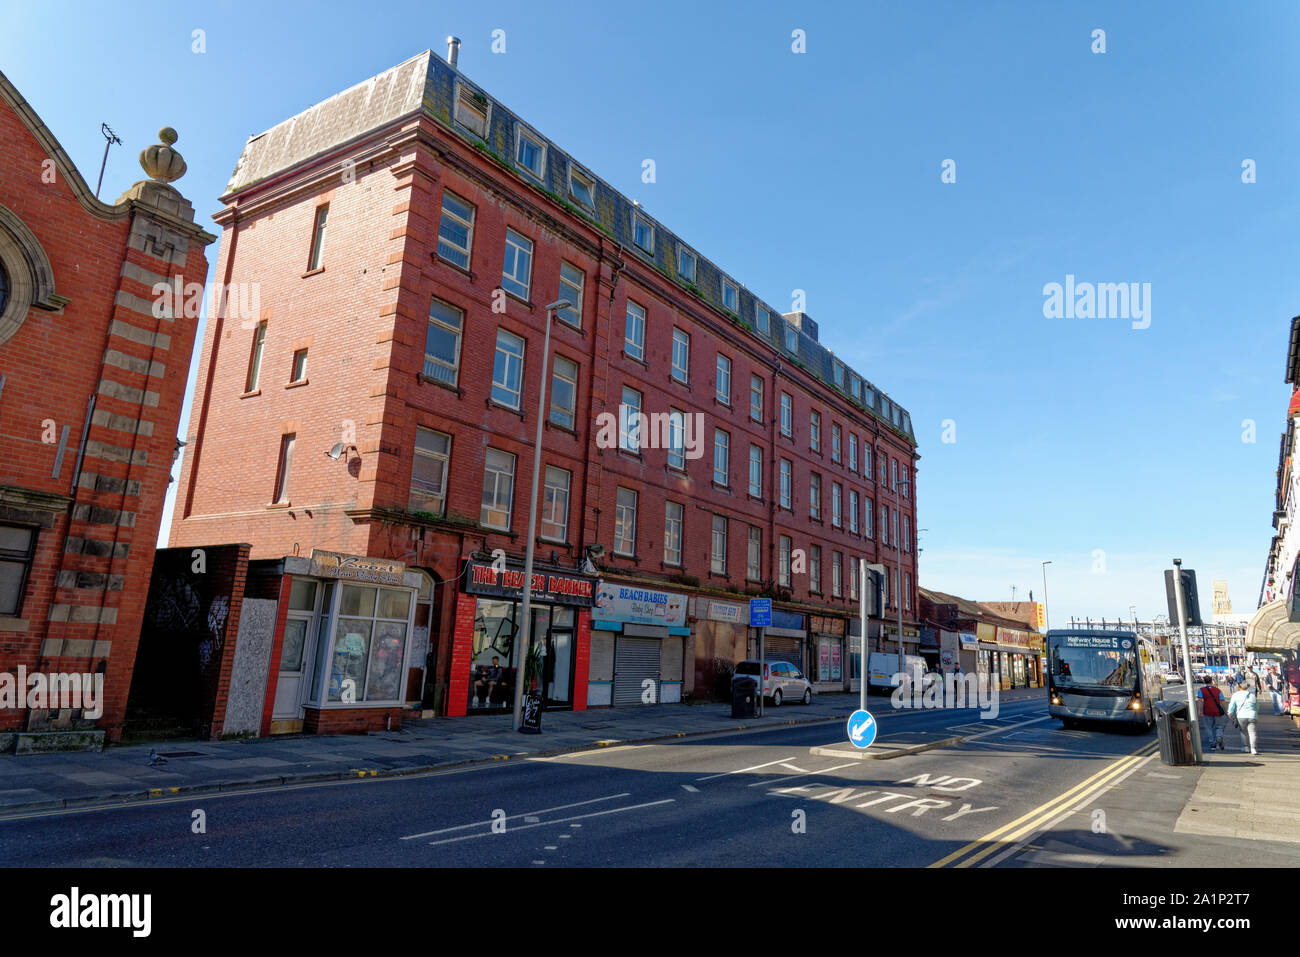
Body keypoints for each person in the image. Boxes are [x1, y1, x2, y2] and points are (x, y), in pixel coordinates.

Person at [1227, 677, 1260, 755]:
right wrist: (1255, 712)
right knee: (1252, 733)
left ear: (1239, 687)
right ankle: (1253, 749)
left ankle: (1245, 747)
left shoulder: (1235, 695)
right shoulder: (1252, 695)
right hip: (1252, 715)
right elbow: (1257, 706)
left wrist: (1230, 713)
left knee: (1243, 732)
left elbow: (1232, 706)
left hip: (1241, 715)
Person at [1197, 675, 1227, 752]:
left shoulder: (1201, 690)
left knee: (1209, 728)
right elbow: (1222, 701)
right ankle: (1219, 736)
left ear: (1204, 682)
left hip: (1207, 711)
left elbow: (1200, 700)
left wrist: (1199, 710)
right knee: (1218, 726)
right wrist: (1226, 711)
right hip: (1217, 711)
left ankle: (1212, 744)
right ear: (1211, 681)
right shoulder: (1218, 690)